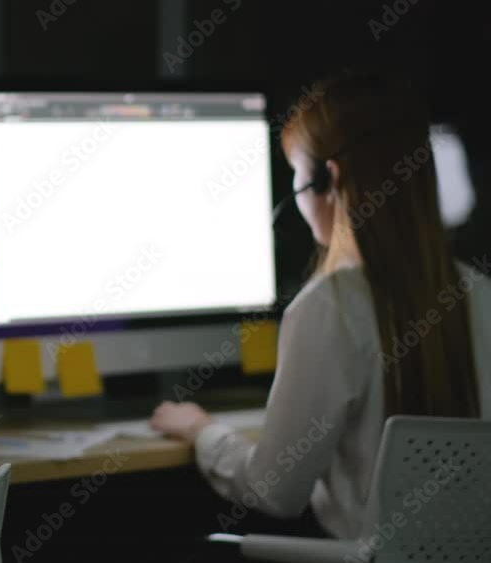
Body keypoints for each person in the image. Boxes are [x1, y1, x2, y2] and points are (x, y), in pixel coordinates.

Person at [150, 70, 491, 542]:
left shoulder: (331, 306)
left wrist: (203, 430)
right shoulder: (479, 294)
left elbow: (275, 490)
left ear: (324, 180)